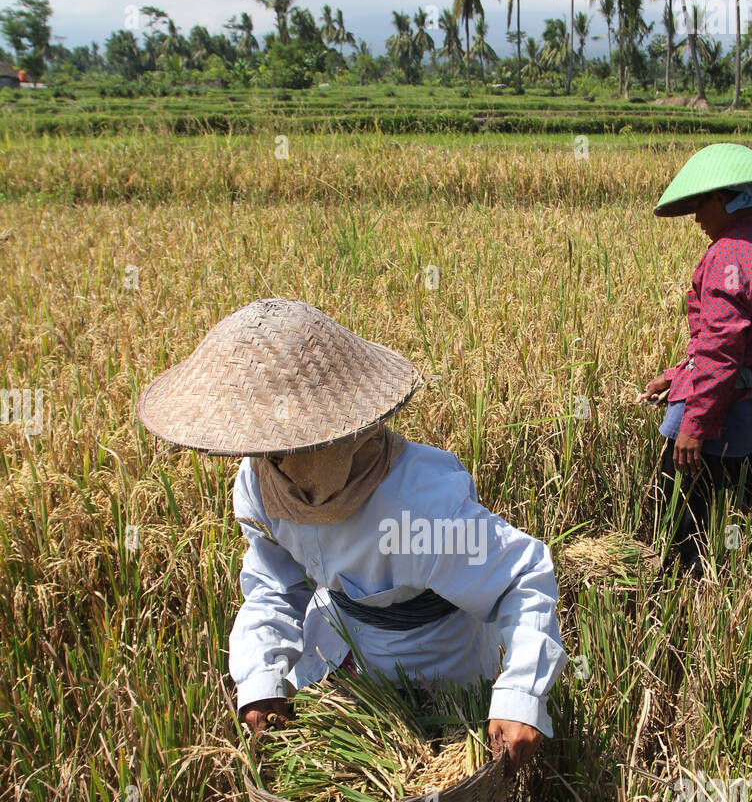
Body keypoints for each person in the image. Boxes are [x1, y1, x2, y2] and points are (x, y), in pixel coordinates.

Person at [137, 298, 567, 775]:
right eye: (263, 451)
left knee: (438, 799)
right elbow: (275, 583)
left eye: (283, 450)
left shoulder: (414, 504)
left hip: (440, 662)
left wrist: (521, 693)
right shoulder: (260, 483)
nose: (270, 467)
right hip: (339, 650)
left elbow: (520, 576)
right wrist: (263, 676)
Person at [638, 143, 752, 577]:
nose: (696, 218)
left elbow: (722, 349)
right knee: (730, 513)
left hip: (721, 414)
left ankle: (674, 597)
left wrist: (695, 425)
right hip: (750, 413)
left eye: (701, 205)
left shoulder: (728, 254)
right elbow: (746, 346)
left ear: (725, 198)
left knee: (678, 522)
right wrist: (677, 375)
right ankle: (721, 593)